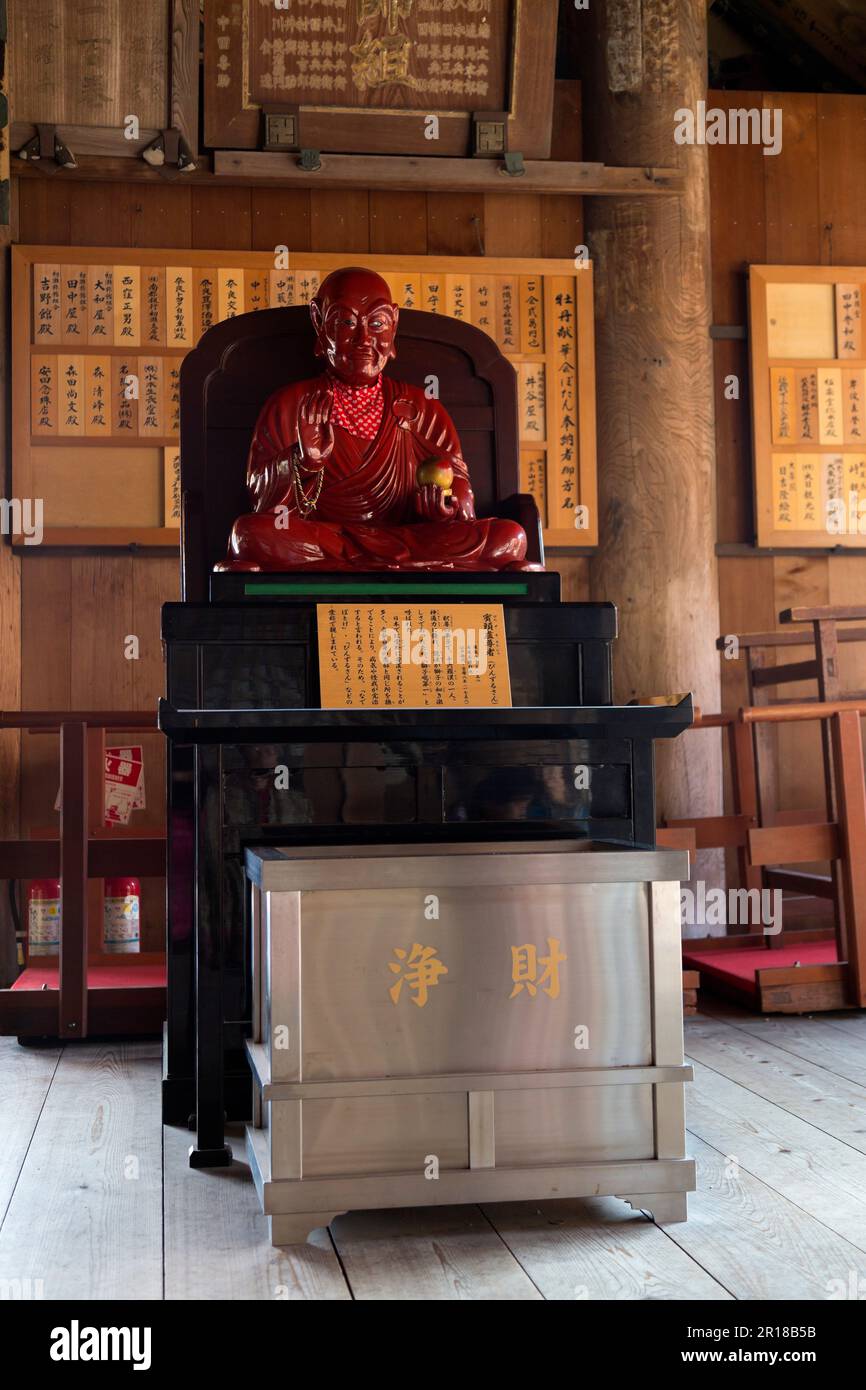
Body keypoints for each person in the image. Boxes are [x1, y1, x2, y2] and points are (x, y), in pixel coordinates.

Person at [217, 266, 534, 571]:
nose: (364, 338)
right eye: (346, 323)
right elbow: (263, 503)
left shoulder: (422, 408)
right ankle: (395, 569)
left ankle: (352, 569)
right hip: (328, 539)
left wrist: (444, 509)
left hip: (408, 538)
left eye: (378, 323)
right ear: (318, 321)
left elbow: (461, 493)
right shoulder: (291, 404)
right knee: (249, 535)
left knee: (509, 537)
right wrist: (303, 461)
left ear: (394, 322)